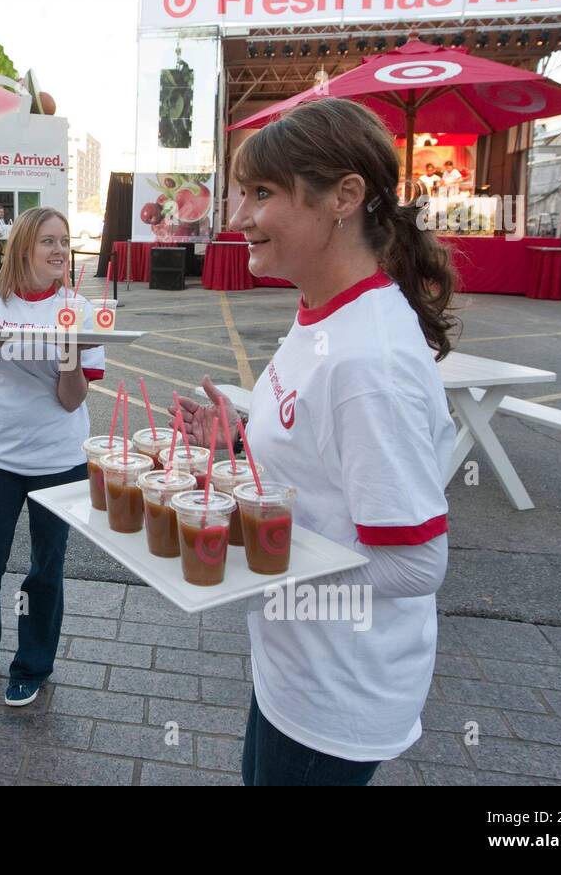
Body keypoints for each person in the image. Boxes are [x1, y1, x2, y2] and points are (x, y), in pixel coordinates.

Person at [177, 97, 457, 786]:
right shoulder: (326, 314)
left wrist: (259, 563)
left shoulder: (368, 361)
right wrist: (241, 442)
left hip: (335, 692)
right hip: (292, 664)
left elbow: (417, 565)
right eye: (243, 192)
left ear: (345, 197)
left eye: (261, 193)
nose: (238, 216)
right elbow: (321, 458)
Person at [0, 206, 104, 707]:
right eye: (48, 240)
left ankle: (31, 665)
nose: (59, 250)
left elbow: (72, 400)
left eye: (64, 241)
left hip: (60, 460)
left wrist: (70, 354)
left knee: (45, 571)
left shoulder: (77, 308)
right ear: (23, 246)